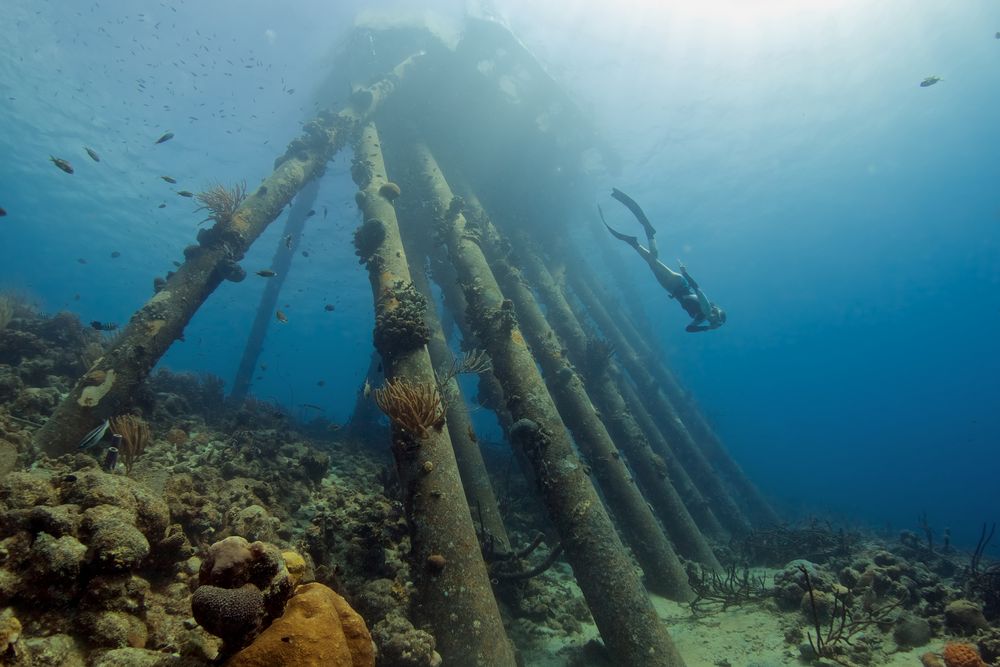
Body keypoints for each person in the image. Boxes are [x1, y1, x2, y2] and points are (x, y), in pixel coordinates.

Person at [600, 188, 726, 333]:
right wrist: (685, 273)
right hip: (678, 283)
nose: (714, 320)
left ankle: (635, 242)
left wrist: (707, 327)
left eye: (716, 322)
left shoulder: (700, 319)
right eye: (716, 320)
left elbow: (688, 329)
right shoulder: (706, 308)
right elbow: (697, 288)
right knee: (653, 262)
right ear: (716, 314)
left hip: (672, 289)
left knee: (651, 263)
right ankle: (649, 234)